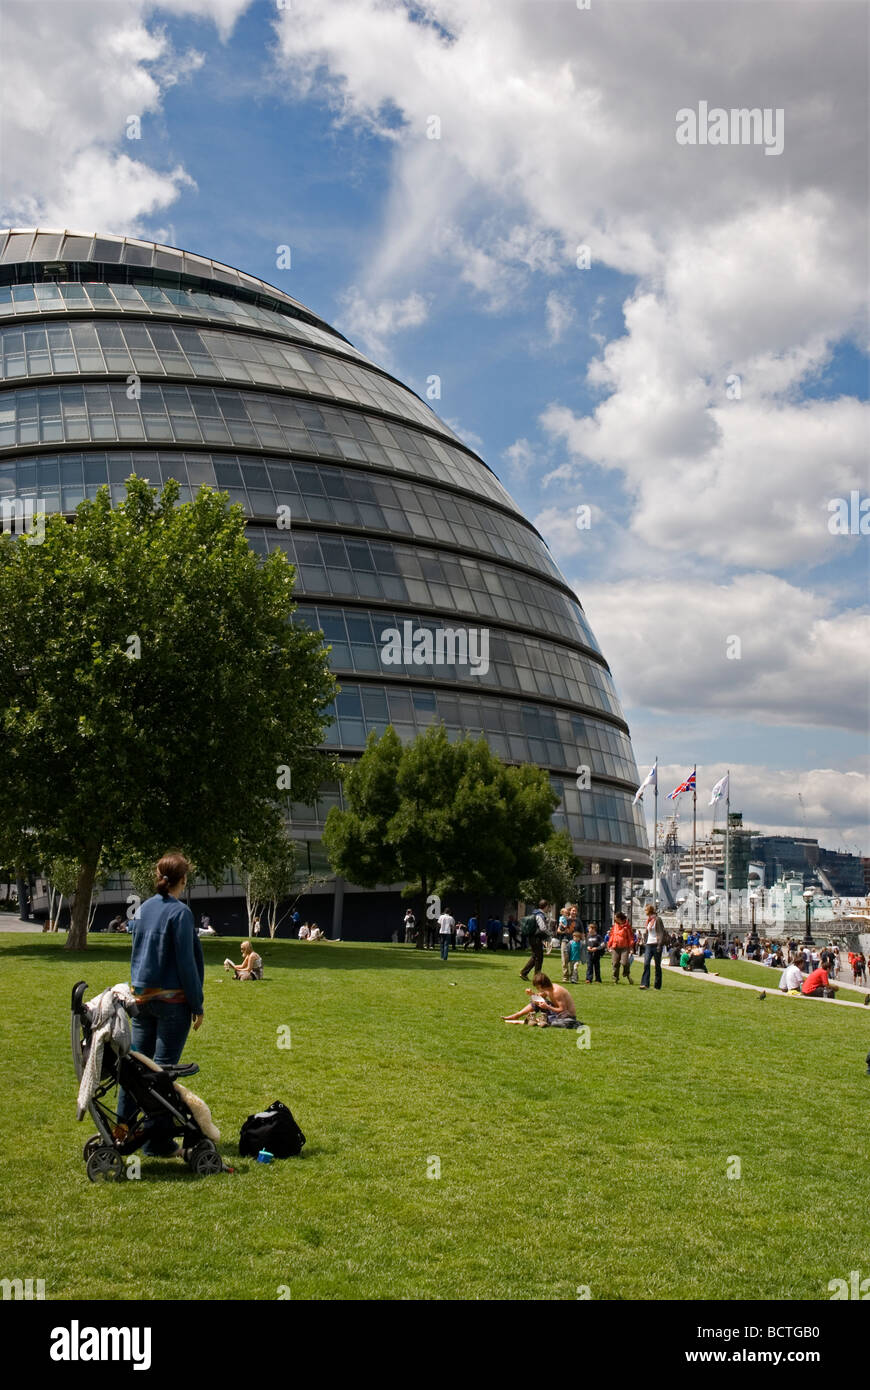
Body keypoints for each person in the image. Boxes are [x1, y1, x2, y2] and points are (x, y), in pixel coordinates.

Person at [117, 852, 203, 1157]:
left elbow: (137, 951)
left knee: (135, 1072)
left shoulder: (142, 909)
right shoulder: (181, 913)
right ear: (183, 880)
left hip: (141, 1000)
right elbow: (187, 964)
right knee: (162, 1075)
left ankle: (121, 1132)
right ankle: (157, 1141)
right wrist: (197, 1004)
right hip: (171, 1002)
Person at [502, 972, 579, 1027]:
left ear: (542, 985)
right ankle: (517, 1015)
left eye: (537, 987)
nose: (537, 989)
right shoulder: (547, 989)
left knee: (550, 1018)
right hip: (558, 1013)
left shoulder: (556, 992)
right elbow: (538, 998)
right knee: (536, 1001)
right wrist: (531, 994)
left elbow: (563, 1009)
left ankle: (538, 1020)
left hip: (567, 1016)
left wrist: (547, 1007)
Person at [519, 902, 548, 980]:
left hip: (532, 937)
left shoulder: (535, 913)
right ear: (545, 906)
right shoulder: (540, 915)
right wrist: (548, 935)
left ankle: (524, 973)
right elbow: (542, 928)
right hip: (536, 938)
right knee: (539, 957)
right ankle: (537, 977)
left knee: (535, 956)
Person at [639, 903, 666, 990]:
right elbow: (647, 933)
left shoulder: (658, 920)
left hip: (656, 944)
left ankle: (657, 985)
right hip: (649, 945)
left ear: (649, 911)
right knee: (646, 963)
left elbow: (661, 932)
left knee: (657, 965)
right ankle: (645, 984)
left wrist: (659, 944)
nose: (645, 911)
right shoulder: (649, 920)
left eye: (646, 910)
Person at [609, 911, 634, 984]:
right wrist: (609, 945)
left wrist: (631, 947)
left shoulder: (627, 926)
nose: (614, 918)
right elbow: (612, 935)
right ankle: (615, 978)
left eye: (615, 917)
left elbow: (630, 937)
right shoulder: (615, 926)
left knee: (624, 962)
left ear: (620, 918)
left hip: (624, 947)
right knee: (615, 963)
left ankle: (626, 973)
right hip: (615, 947)